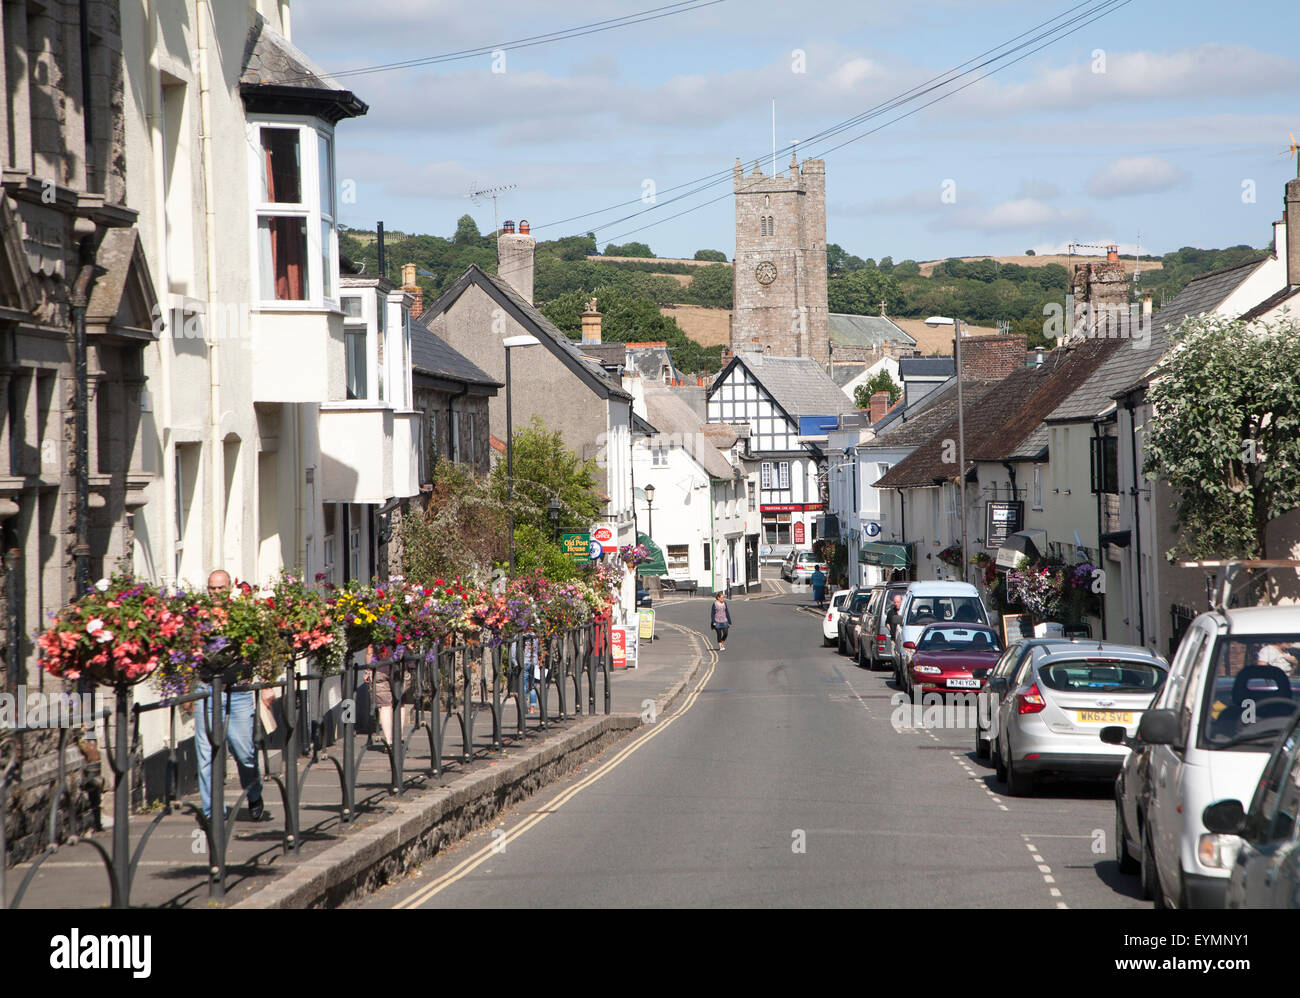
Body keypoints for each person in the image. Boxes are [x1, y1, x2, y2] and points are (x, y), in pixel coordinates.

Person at [195, 569, 267, 823]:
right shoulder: (199, 617)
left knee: (244, 751)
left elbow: (258, 649)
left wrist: (266, 684)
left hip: (238, 691)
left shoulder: (242, 616)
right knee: (206, 754)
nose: (216, 593)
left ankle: (254, 793)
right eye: (211, 589)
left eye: (220, 588)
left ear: (230, 588)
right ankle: (211, 810)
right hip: (206, 691)